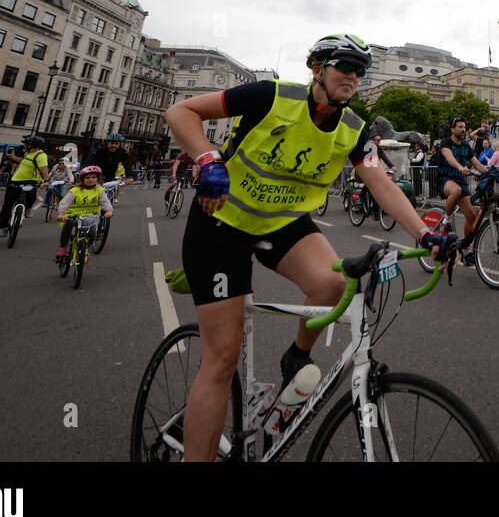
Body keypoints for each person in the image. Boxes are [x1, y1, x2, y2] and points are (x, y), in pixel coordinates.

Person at [169, 33, 456, 462]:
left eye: (362, 70)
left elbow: (381, 182)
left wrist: (426, 234)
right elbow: (181, 110)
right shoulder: (272, 96)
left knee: (333, 283)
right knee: (222, 357)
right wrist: (208, 159)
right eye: (345, 66)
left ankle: (296, 357)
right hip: (222, 222)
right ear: (318, 68)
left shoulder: (355, 130)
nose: (354, 77)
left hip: (283, 222)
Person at [436, 117, 490, 234]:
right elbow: (449, 157)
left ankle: (466, 247)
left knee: (471, 216)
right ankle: (446, 220)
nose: (463, 129)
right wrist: (460, 167)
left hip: (460, 180)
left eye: (464, 127)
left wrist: (491, 172)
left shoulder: (466, 146)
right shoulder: (446, 143)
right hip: (445, 179)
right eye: (460, 127)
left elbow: (477, 164)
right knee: (456, 190)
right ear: (452, 129)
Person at [54, 165, 113, 260]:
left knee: (93, 233)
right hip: (73, 213)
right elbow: (65, 203)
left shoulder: (99, 190)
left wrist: (108, 211)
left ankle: (84, 250)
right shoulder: (75, 190)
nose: (91, 180)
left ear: (98, 179)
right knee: (69, 225)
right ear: (82, 179)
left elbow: (105, 201)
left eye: (94, 177)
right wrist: (61, 214)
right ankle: (63, 248)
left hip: (90, 214)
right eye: (87, 178)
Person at [0, 136, 49, 235]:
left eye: (27, 144)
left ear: (34, 145)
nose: (25, 145)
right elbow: (23, 161)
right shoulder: (27, 153)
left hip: (31, 180)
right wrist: (12, 157)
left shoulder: (41, 155)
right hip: (16, 179)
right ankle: (3, 228)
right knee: (6, 206)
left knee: (31, 194)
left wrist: (46, 180)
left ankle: (28, 208)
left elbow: (44, 168)